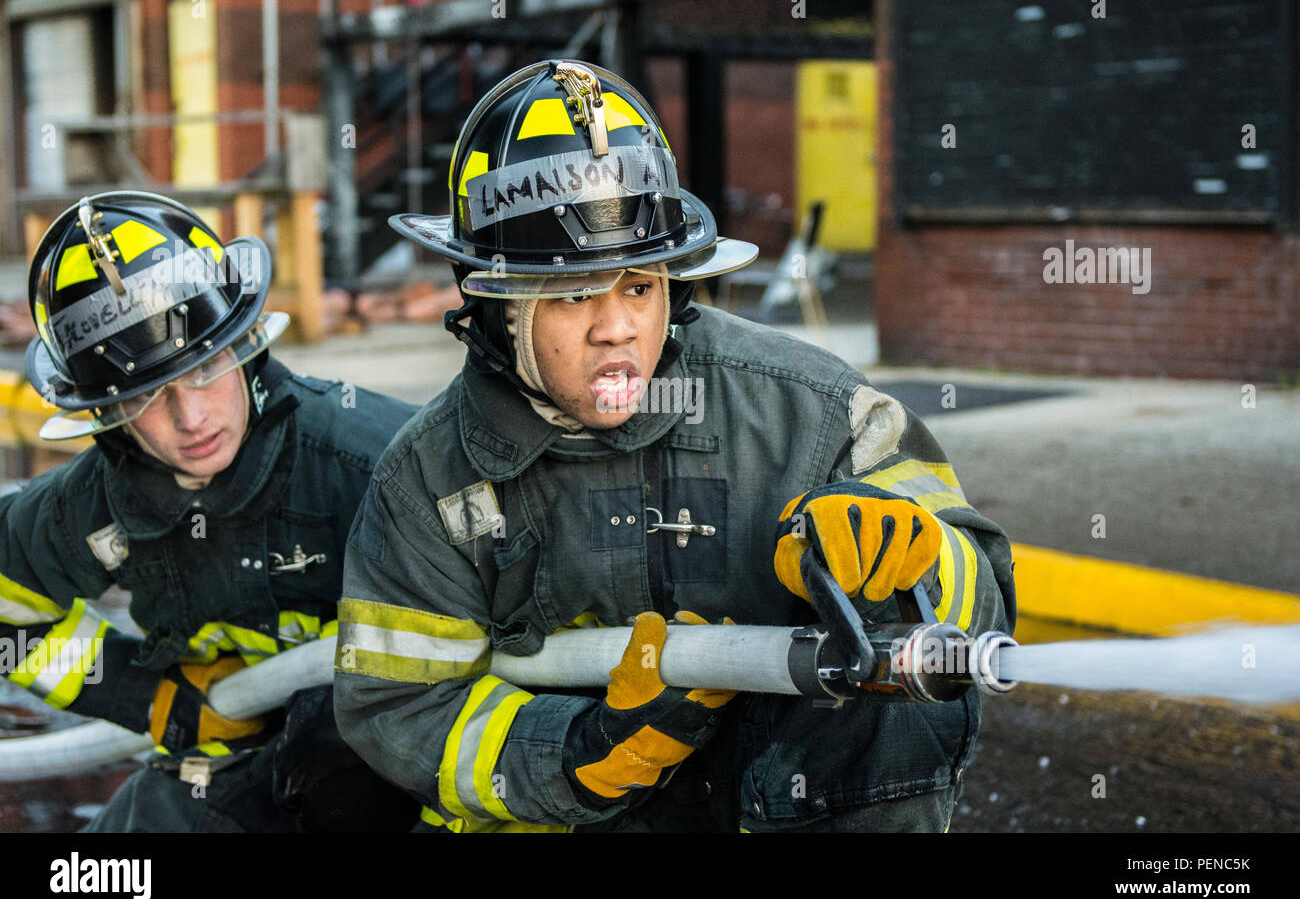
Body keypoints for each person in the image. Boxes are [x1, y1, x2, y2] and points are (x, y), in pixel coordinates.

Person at [335, 60, 1017, 832]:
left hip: (770, 805)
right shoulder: (428, 480)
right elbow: (402, 705)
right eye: (571, 295)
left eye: (639, 286)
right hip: (573, 819)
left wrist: (914, 564)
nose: (617, 328)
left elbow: (983, 604)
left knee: (894, 715)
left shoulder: (811, 413)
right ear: (496, 306)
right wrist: (578, 757)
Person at [2, 191, 419, 831]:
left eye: (205, 367)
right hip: (220, 766)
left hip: (398, 772)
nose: (190, 419)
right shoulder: (90, 505)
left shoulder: (379, 464)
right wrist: (152, 698)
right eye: (144, 396)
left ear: (246, 344)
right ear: (104, 417)